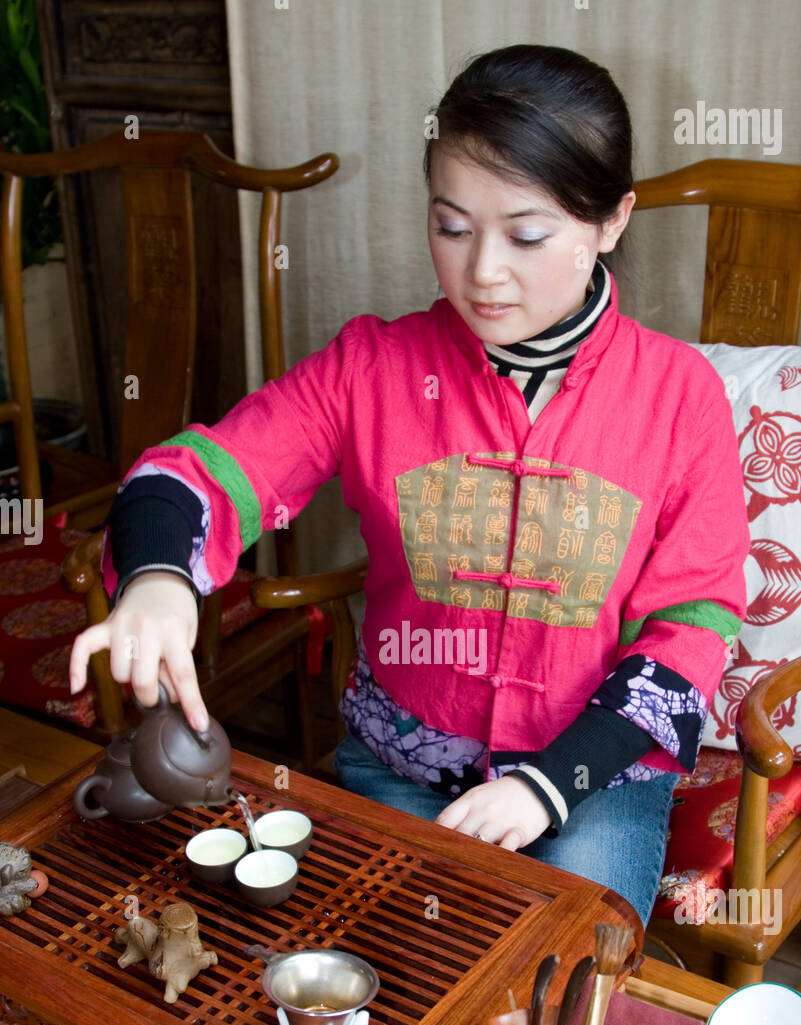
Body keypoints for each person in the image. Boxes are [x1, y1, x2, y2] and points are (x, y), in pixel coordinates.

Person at [68, 44, 750, 929]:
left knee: (567, 984)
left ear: (613, 219)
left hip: (594, 777)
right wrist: (159, 578)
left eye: (527, 234)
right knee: (377, 975)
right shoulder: (374, 367)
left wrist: (552, 783)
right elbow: (197, 473)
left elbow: (692, 630)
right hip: (402, 764)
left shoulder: (678, 395)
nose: (482, 273)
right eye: (452, 226)